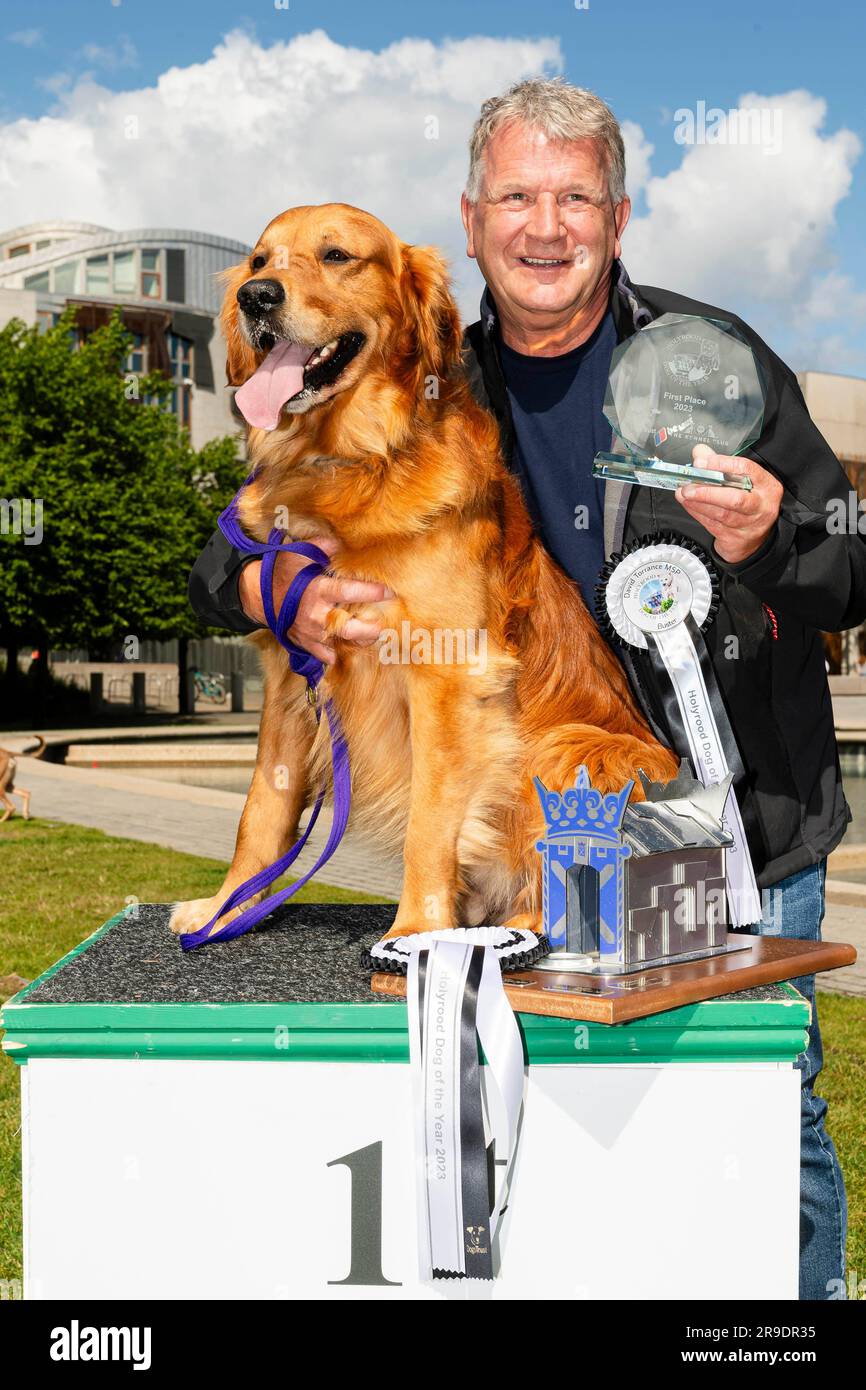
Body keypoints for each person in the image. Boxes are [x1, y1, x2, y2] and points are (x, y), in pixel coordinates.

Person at [188, 77, 864, 1299]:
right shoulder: (426, 374)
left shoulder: (710, 360)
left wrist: (776, 537)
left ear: (615, 214)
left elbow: (846, 566)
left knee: (763, 1118)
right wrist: (261, 594)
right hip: (532, 839)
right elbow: (231, 548)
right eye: (515, 196)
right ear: (469, 215)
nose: (543, 226)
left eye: (572, 197)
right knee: (570, 1127)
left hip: (741, 818)